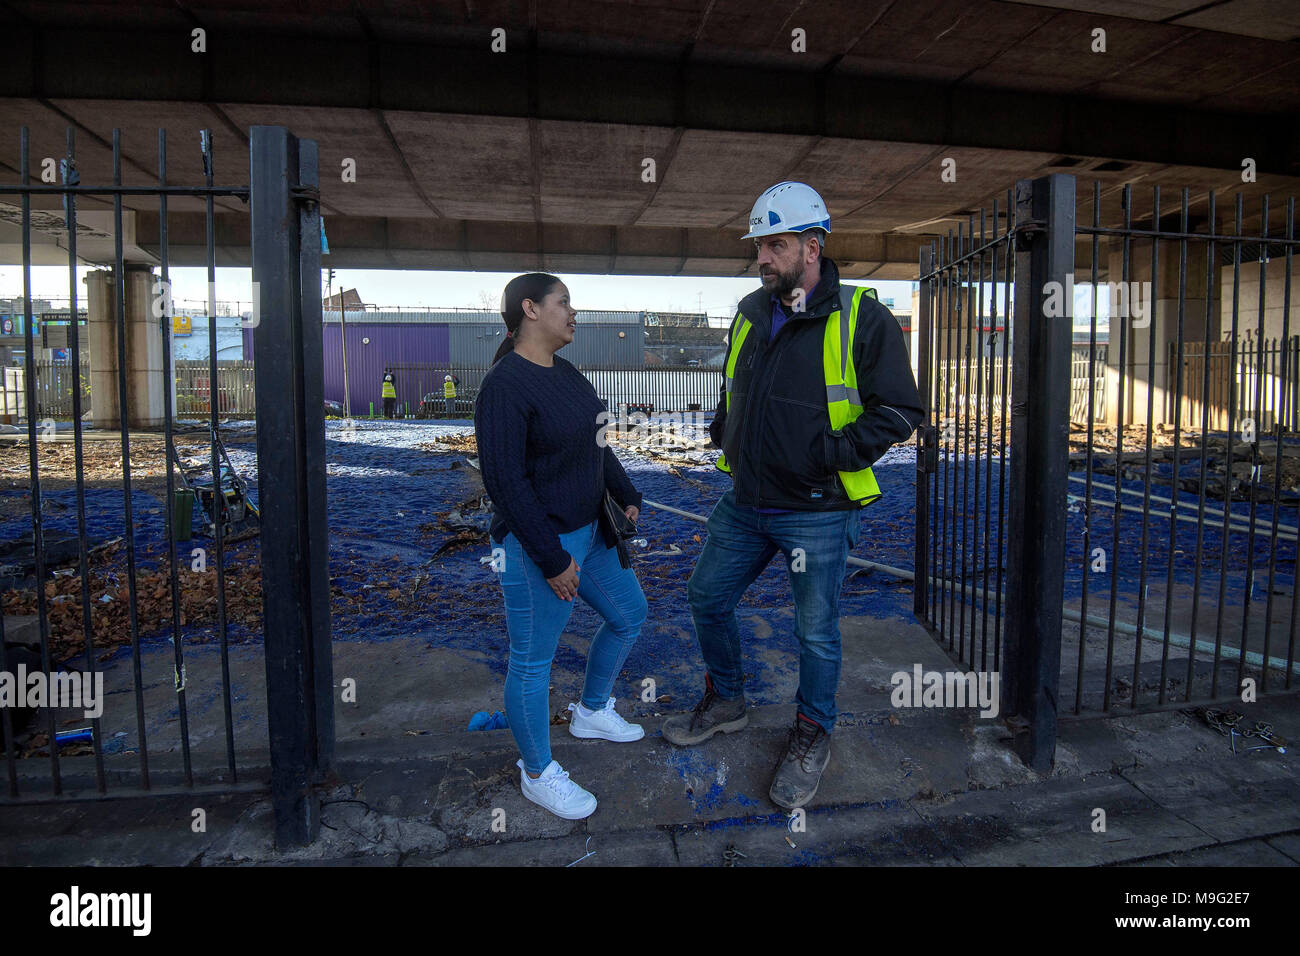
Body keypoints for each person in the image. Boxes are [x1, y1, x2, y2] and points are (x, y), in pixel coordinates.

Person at [662, 182, 924, 810]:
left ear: (813, 245)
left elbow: (901, 408)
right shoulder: (752, 311)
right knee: (707, 595)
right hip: (746, 502)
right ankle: (727, 699)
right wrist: (726, 425)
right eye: (759, 246)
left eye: (775, 245)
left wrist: (833, 454)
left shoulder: (861, 314)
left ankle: (812, 734)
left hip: (816, 511)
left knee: (814, 633)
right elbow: (736, 385)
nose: (763, 257)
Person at [474, 272, 648, 820]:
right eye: (564, 303)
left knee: (629, 614)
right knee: (532, 662)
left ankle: (592, 711)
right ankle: (537, 773)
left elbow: (594, 438)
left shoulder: (567, 372)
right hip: (538, 545)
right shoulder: (505, 385)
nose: (575, 312)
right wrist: (551, 558)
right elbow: (504, 481)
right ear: (530, 308)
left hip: (592, 531)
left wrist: (623, 491)